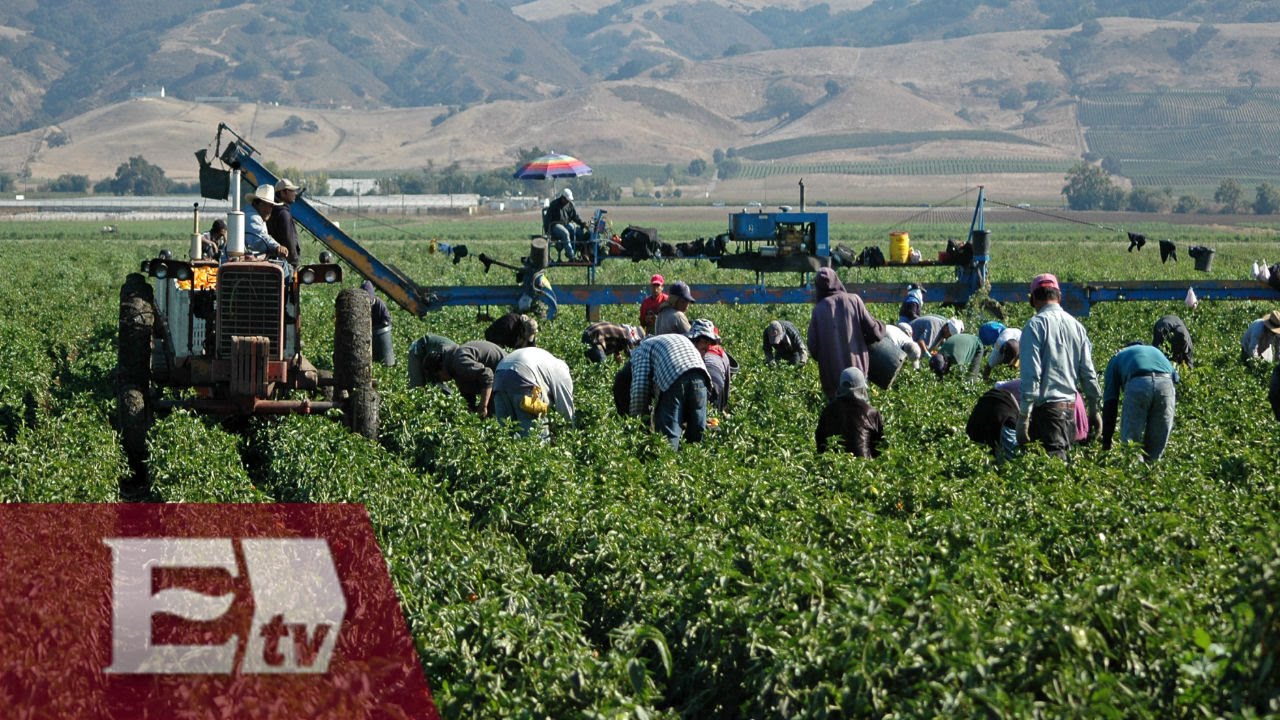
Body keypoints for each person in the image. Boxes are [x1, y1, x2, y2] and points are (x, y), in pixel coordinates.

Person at [1018, 273, 1102, 460]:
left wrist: (1023, 417)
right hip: (1070, 412)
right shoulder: (1077, 326)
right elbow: (1088, 373)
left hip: (1047, 413)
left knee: (1051, 470)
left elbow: (1031, 376)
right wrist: (1094, 409)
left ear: (1033, 299)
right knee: (1062, 465)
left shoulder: (1035, 326)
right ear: (1059, 296)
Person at [807, 267, 886, 400]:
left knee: (837, 411)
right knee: (860, 409)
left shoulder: (818, 310)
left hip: (832, 379)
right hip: (857, 373)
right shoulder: (854, 300)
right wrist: (881, 326)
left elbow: (813, 347)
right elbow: (874, 332)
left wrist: (827, 358)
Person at [628, 333, 710, 450]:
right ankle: (695, 458)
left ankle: (669, 460)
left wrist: (637, 422)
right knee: (697, 429)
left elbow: (640, 390)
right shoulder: (673, 339)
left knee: (669, 433)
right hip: (700, 375)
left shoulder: (641, 350)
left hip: (674, 375)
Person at [1101, 342, 1179, 462]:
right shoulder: (1156, 351)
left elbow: (1110, 402)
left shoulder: (1117, 357)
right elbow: (1176, 379)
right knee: (1157, 441)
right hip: (1166, 383)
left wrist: (1106, 442)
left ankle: (1133, 468)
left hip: (1138, 382)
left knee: (1131, 444)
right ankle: (1151, 468)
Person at [492, 347, 574, 439]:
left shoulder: (549, 361)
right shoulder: (562, 374)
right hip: (523, 377)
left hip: (499, 377)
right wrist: (570, 434)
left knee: (505, 433)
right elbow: (565, 408)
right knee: (535, 437)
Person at [423, 340, 507, 417]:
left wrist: (483, 406)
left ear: (441, 368)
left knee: (496, 414)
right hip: (500, 375)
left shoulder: (459, 362)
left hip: (507, 372)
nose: (442, 380)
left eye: (438, 377)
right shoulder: (453, 367)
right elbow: (467, 390)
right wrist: (469, 408)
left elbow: (487, 375)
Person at [815, 367, 884, 457]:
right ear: (862, 387)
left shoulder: (828, 410)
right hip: (862, 463)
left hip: (833, 462)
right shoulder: (871, 412)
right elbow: (879, 446)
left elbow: (820, 441)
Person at [233, 184, 290, 261]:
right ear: (258, 204)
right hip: (238, 261)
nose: (270, 210)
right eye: (269, 205)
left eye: (271, 206)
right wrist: (277, 247)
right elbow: (260, 237)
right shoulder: (252, 217)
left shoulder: (255, 215)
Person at [966, 385, 1020, 462]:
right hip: (1003, 414)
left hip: (983, 406)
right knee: (1014, 460)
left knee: (977, 454)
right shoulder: (1033, 389)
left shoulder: (1017, 385)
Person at [688, 320, 732, 412]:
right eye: (704, 342)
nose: (707, 346)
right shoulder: (721, 354)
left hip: (713, 385)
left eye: (708, 342)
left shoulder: (706, 358)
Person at [267, 178, 302, 266]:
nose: (295, 193)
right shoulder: (283, 214)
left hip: (274, 259)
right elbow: (289, 240)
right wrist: (294, 263)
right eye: (291, 191)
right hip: (285, 262)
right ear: (283, 193)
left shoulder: (271, 211)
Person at [544, 188, 586, 261]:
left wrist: (582, 223)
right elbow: (547, 220)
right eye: (567, 200)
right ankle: (571, 257)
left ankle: (582, 254)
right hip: (555, 226)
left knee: (578, 231)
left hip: (566, 224)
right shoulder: (554, 204)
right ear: (562, 198)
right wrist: (547, 231)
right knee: (565, 233)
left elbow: (575, 217)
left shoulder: (570, 205)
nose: (568, 201)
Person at [362, 280, 394, 366]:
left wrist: (384, 323)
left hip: (379, 334)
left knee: (382, 358)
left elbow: (387, 319)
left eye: (369, 301)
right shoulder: (362, 306)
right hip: (368, 333)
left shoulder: (380, 304)